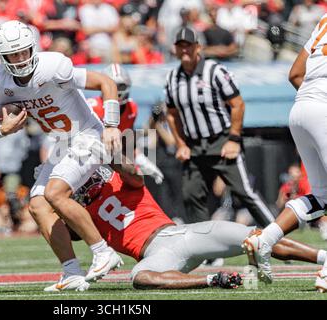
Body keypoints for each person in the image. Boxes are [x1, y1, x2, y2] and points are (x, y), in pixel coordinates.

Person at [0, 20, 123, 292]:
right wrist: (2, 129)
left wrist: (112, 126)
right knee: (38, 204)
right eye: (12, 55)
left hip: (87, 134)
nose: (20, 60)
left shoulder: (53, 65)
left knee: (55, 193)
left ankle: (103, 253)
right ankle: (72, 272)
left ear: (32, 48)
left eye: (23, 52)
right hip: (61, 144)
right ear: (2, 57)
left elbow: (106, 82)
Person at [63, 163, 327, 290]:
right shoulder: (81, 214)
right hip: (157, 255)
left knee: (258, 239)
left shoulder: (123, 180)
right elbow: (65, 232)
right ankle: (213, 280)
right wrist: (52, 198)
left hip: (181, 234)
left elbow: (130, 171)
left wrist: (108, 152)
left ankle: (324, 258)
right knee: (139, 278)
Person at [243, 14, 327, 291]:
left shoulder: (323, 19)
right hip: (323, 107)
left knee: (321, 197)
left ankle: (264, 240)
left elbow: (294, 74)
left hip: (301, 107)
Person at [165, 27, 274, 227]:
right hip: (195, 145)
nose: (185, 50)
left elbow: (237, 104)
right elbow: (172, 115)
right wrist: (181, 144)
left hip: (221, 140)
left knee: (244, 192)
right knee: (191, 194)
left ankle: (277, 234)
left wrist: (233, 139)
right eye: (180, 46)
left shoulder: (215, 71)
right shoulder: (173, 78)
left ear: (197, 47)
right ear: (175, 49)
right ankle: (207, 248)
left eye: (188, 45)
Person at [87, 63, 164, 184]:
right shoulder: (92, 107)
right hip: (90, 161)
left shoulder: (131, 108)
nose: (116, 91)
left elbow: (126, 142)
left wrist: (140, 158)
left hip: (113, 161)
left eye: (120, 86)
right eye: (112, 85)